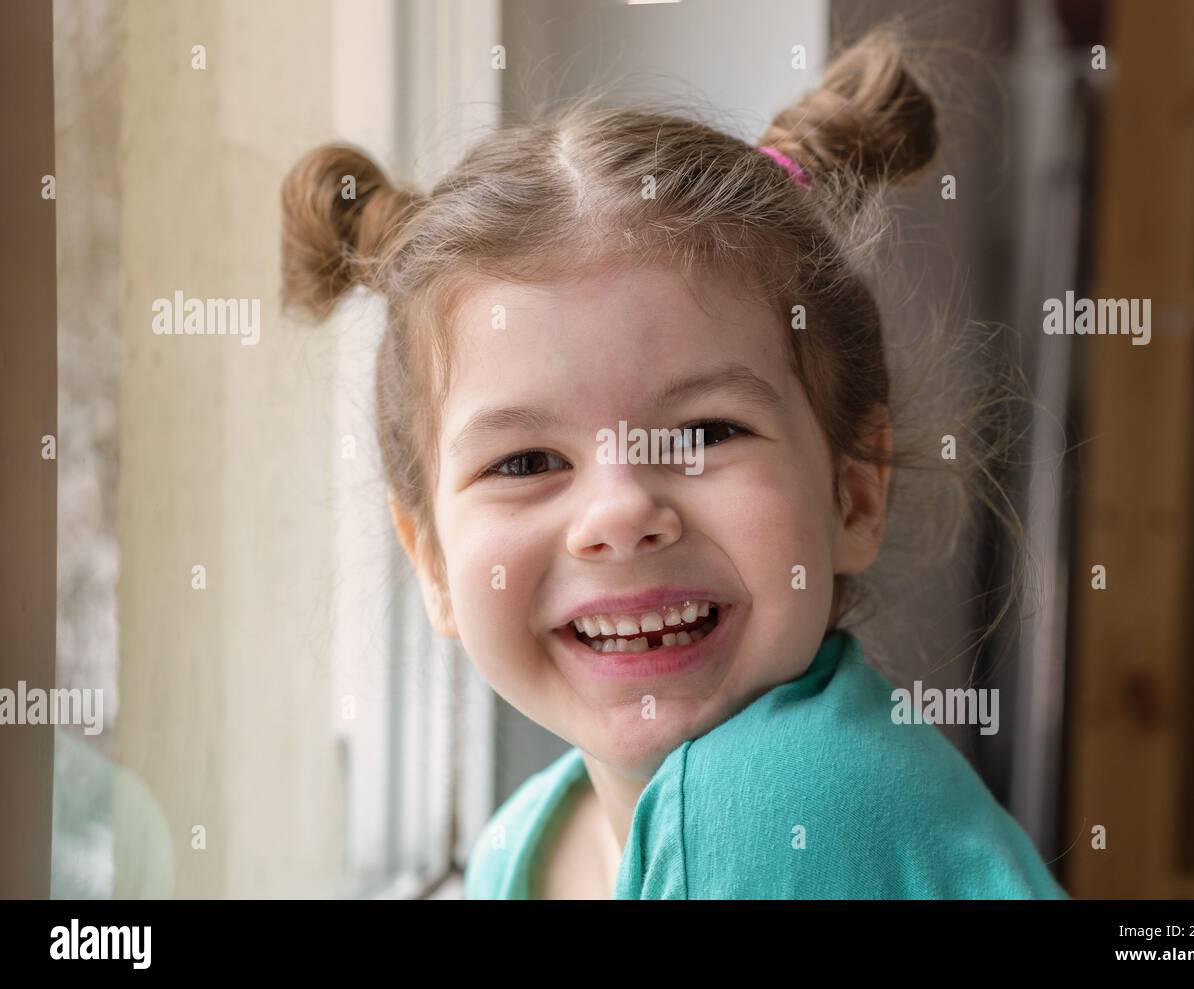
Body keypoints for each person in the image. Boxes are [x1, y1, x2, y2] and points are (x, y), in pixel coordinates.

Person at [280, 20, 1068, 900]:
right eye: (528, 459)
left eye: (703, 434)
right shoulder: (524, 844)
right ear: (429, 556)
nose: (619, 513)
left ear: (852, 492)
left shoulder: (780, 809)